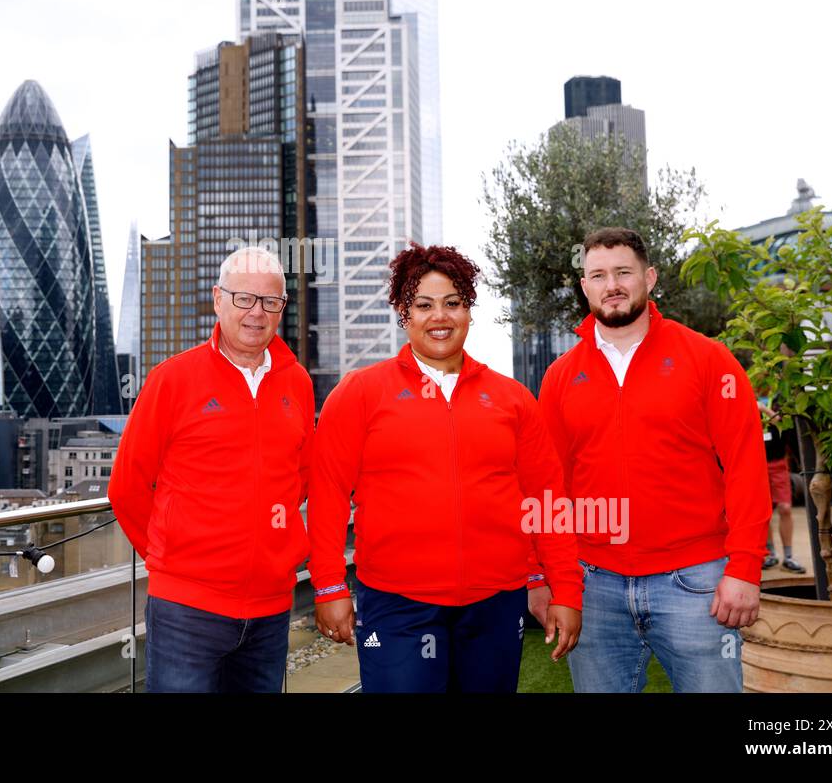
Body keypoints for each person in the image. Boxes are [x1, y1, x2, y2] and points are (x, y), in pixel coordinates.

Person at [307, 243, 581, 693]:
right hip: (396, 606)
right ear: (403, 312)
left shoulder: (512, 399)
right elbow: (328, 497)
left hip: (494, 604)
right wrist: (329, 588)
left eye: (452, 303)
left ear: (469, 310)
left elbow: (546, 500)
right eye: (424, 305)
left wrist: (565, 589)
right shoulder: (360, 392)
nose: (440, 317)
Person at [534, 227, 772, 692]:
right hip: (593, 585)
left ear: (649, 277)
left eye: (623, 272)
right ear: (585, 287)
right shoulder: (560, 377)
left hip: (697, 581)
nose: (612, 284)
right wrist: (542, 575)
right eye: (598, 275)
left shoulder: (709, 360)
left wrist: (744, 567)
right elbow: (547, 485)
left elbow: (746, 467)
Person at [108, 247, 314, 692]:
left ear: (282, 309)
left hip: (272, 609)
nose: (256, 313)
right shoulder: (172, 379)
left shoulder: (297, 383)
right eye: (244, 299)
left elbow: (300, 477)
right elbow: (127, 487)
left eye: (270, 302)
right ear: (218, 299)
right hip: (187, 611)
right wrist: (174, 559)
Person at [761, 410, 805, 573]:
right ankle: (771, 553)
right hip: (756, 463)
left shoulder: (777, 398)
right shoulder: (746, 394)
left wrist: (764, 409)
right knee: (763, 511)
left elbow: (784, 424)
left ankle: (789, 556)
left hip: (778, 463)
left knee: (785, 508)